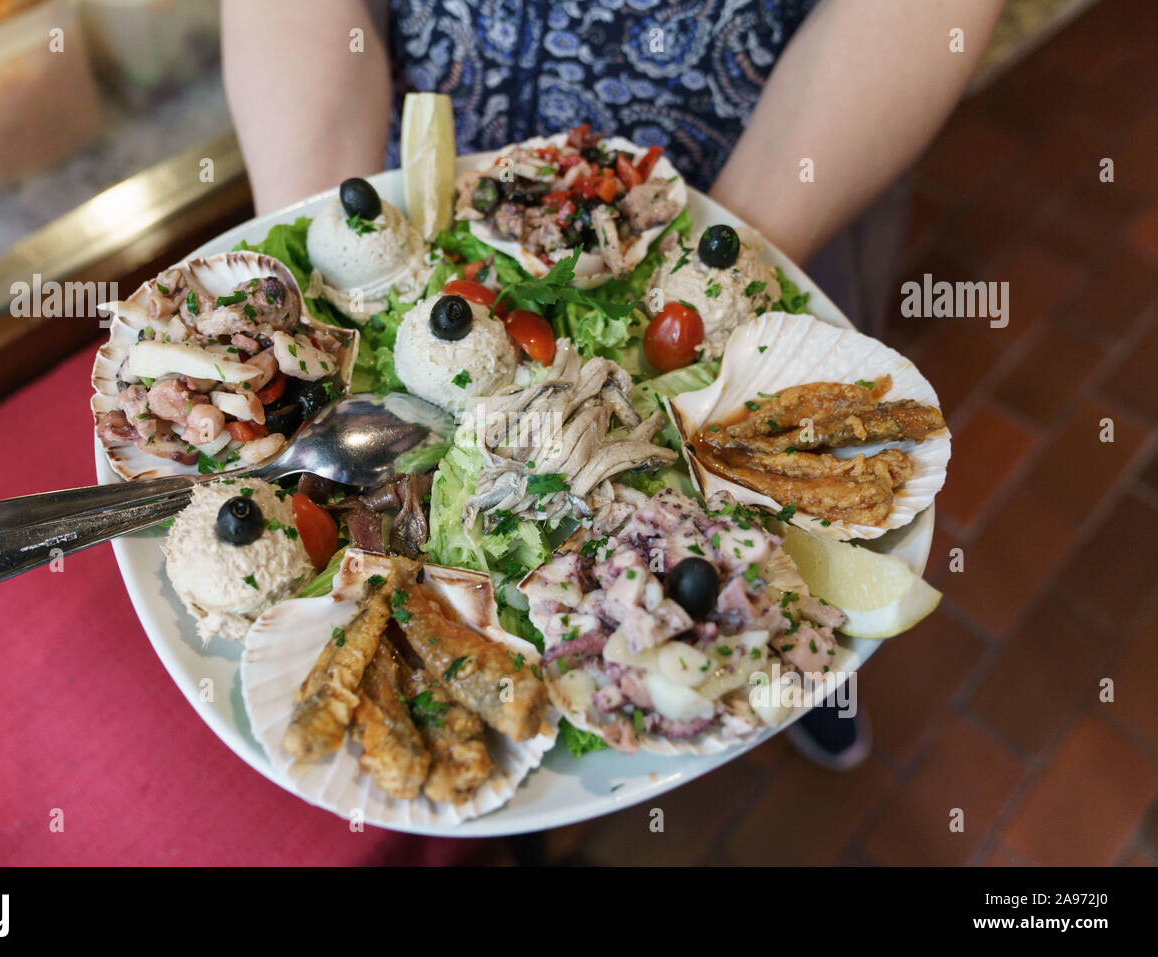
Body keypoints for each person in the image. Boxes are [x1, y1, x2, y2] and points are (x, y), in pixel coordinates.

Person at [221, 0, 1002, 769]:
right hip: (431, 189)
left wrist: (715, 270)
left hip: (787, 165)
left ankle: (781, 650)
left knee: (780, 563)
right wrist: (318, 269)